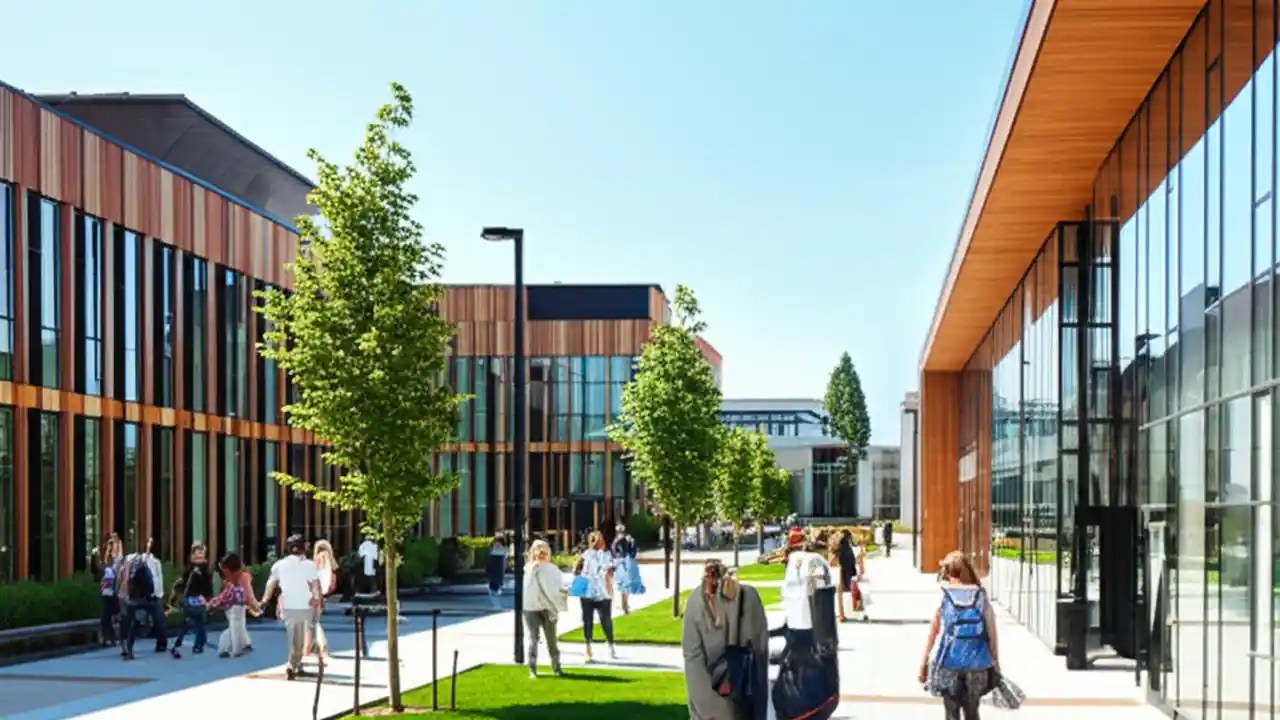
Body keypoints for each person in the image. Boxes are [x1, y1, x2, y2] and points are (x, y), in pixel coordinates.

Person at [682, 560, 769, 720]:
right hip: (745, 700)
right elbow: (760, 653)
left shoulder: (695, 601)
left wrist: (698, 708)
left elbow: (692, 657)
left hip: (708, 704)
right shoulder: (749, 596)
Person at [919, 551, 999, 720]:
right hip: (977, 665)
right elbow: (992, 633)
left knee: (951, 713)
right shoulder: (980, 597)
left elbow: (933, 633)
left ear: (949, 574)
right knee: (972, 712)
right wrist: (995, 663)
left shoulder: (944, 596)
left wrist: (924, 663)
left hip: (948, 663)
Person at [770, 529, 840, 720]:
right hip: (812, 648)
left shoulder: (793, 566)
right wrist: (829, 650)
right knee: (815, 703)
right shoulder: (816, 564)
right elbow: (822, 611)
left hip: (795, 647)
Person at [263, 534, 323, 680]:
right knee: (301, 638)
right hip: (305, 605)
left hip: (289, 606)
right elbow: (315, 584)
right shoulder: (309, 565)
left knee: (293, 636)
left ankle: (296, 664)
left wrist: (264, 600)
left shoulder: (279, 565)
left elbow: (270, 583)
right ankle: (292, 664)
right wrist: (316, 599)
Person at [522, 539, 566, 678]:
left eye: (544, 549)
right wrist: (534, 568)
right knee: (533, 638)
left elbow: (559, 589)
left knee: (551, 639)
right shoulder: (528, 569)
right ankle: (532, 668)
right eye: (538, 549)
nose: (541, 552)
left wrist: (559, 605)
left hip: (548, 608)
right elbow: (527, 588)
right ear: (532, 552)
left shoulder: (554, 570)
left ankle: (556, 667)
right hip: (531, 608)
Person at [119, 537, 168, 660]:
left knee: (156, 621)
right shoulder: (131, 559)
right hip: (139, 597)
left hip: (144, 597)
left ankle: (160, 644)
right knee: (134, 623)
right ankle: (129, 649)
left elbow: (158, 578)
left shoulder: (153, 561)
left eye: (149, 543)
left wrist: (159, 594)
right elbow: (125, 578)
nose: (148, 545)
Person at [209, 553, 262, 657]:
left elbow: (224, 595)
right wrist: (256, 606)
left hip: (232, 607)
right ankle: (233, 649)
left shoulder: (230, 580)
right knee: (236, 627)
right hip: (238, 606)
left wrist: (213, 602)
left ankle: (241, 645)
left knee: (237, 626)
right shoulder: (242, 577)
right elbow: (248, 595)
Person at [170, 542, 214, 658]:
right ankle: (190, 645)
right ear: (192, 555)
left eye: (202, 555)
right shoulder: (189, 569)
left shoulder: (206, 570)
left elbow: (207, 586)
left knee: (197, 622)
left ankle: (196, 645)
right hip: (189, 599)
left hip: (199, 599)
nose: (200, 557)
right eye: (197, 555)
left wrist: (208, 599)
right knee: (192, 621)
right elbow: (184, 584)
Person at [579, 531, 617, 663]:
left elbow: (576, 571)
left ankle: (591, 648)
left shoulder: (586, 555)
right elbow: (610, 573)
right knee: (604, 620)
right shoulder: (604, 555)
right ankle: (608, 645)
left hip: (590, 593)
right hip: (600, 592)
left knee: (589, 621)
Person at [306, 539, 338, 662]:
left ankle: (320, 644)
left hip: (316, 590)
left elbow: (317, 573)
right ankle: (316, 645)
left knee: (314, 620)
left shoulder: (320, 557)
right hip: (322, 591)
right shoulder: (329, 557)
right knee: (315, 619)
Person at [93, 533, 124, 647]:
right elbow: (100, 568)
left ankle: (113, 637)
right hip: (106, 592)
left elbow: (117, 566)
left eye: (111, 544)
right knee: (107, 616)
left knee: (114, 615)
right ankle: (109, 637)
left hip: (115, 592)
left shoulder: (118, 560)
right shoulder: (106, 561)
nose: (109, 547)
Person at [611, 524, 639, 614]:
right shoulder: (627, 539)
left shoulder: (617, 541)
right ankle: (625, 604)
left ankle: (624, 604)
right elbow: (633, 550)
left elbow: (614, 551)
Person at [832, 531, 860, 623]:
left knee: (838, 595)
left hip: (835, 572)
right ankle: (842, 615)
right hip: (841, 573)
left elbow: (833, 561)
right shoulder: (847, 549)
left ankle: (841, 614)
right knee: (841, 595)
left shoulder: (837, 549)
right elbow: (851, 562)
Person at [485, 536, 508, 609]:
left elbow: (503, 565)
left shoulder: (496, 553)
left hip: (496, 574)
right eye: (495, 544)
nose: (496, 545)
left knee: (494, 589)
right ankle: (496, 604)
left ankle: (497, 605)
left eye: (498, 544)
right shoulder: (497, 552)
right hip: (494, 574)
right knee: (494, 589)